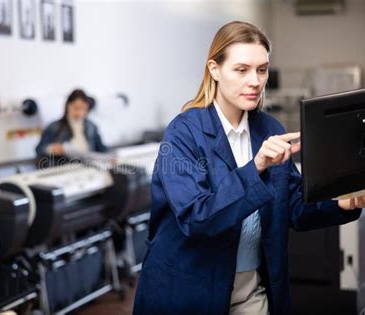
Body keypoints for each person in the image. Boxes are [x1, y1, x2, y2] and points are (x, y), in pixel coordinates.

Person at [133, 21, 364, 315]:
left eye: (262, 69)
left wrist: (341, 203)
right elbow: (197, 218)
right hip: (189, 292)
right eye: (241, 70)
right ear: (214, 70)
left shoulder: (268, 128)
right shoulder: (183, 133)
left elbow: (291, 205)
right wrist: (255, 167)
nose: (255, 81)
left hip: (252, 290)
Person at [35, 89, 108, 158]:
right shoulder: (54, 126)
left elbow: (102, 148)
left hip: (88, 165)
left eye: (83, 109)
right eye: (76, 108)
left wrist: (111, 157)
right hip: (65, 166)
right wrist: (51, 149)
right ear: (68, 106)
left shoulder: (91, 126)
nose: (79, 112)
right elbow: (39, 149)